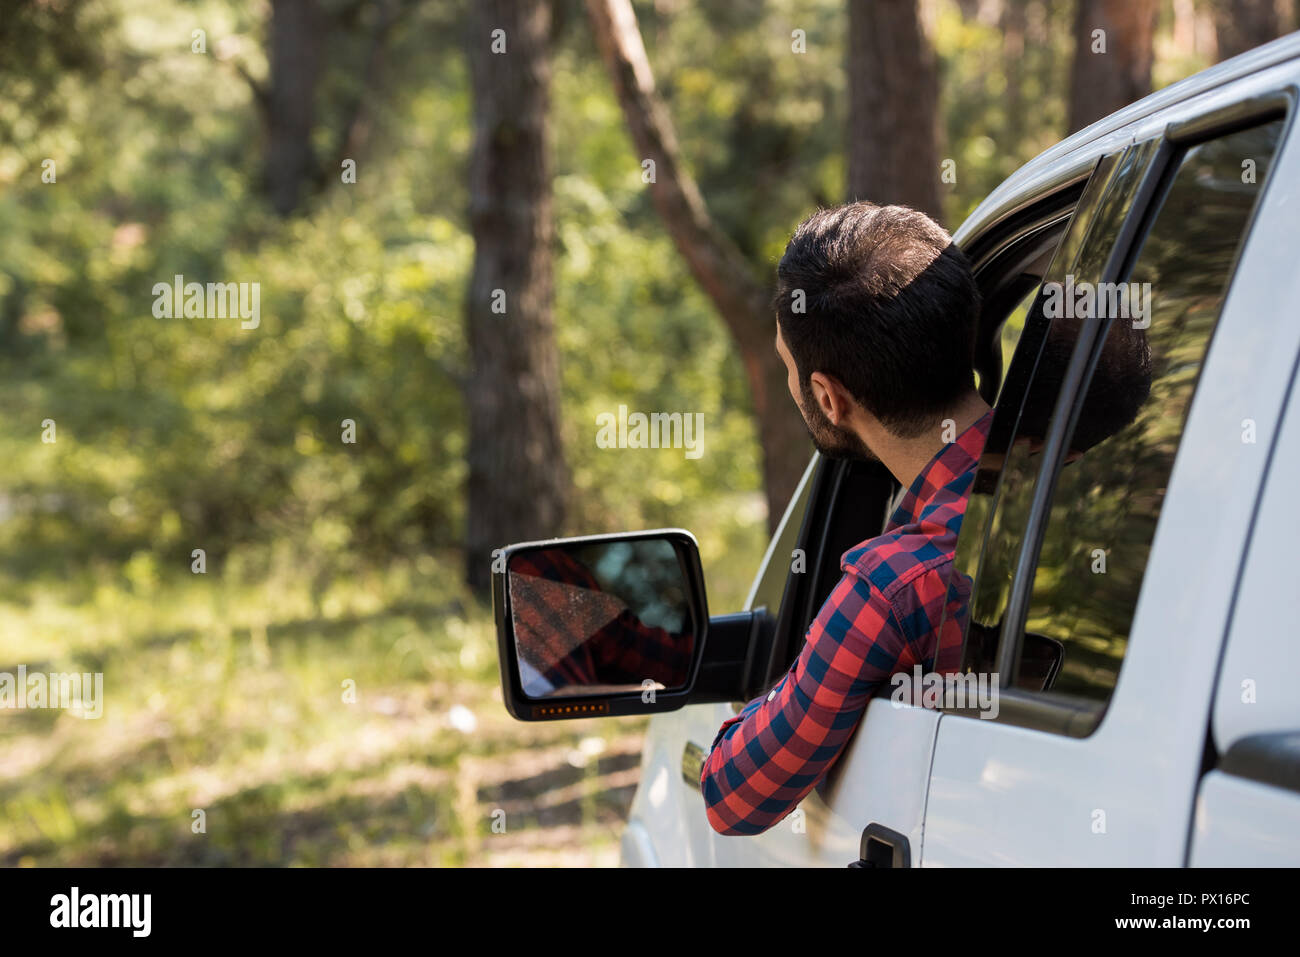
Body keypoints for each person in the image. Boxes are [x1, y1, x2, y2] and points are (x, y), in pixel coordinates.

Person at [699, 201, 993, 836]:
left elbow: (733, 794)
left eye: (787, 368)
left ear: (830, 398)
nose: (788, 382)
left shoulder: (897, 584)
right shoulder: (1094, 475)